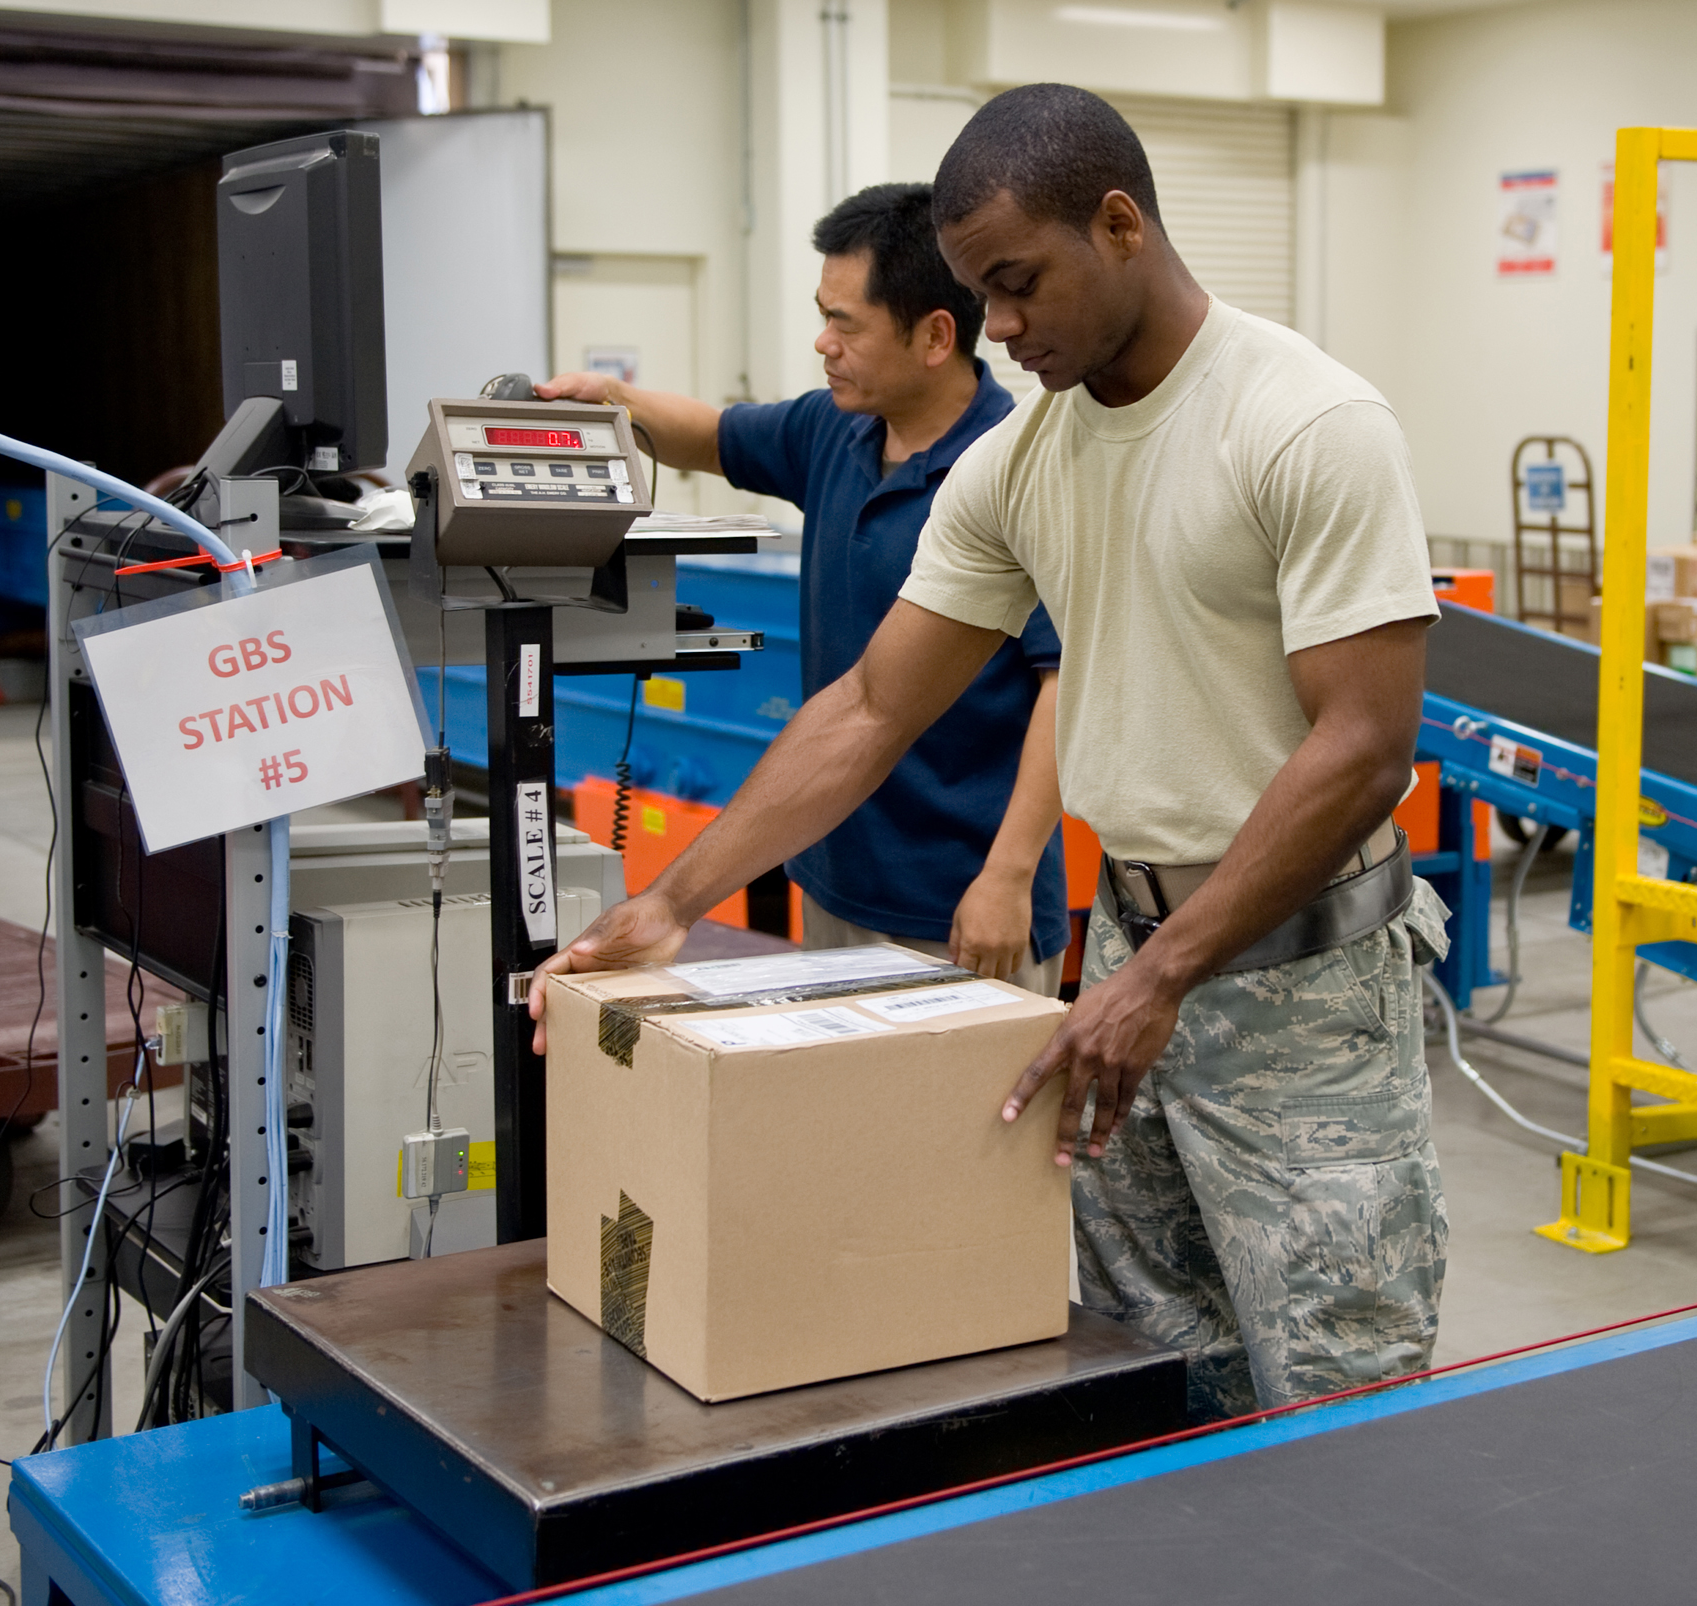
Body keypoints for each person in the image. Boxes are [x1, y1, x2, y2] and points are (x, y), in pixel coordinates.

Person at [531, 85, 1449, 1423]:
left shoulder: (1305, 424)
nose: (1002, 330)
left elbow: (1365, 746)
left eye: (1018, 286)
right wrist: (672, 899)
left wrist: (1168, 970)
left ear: (1120, 222)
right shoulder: (1022, 465)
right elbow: (867, 710)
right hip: (1134, 954)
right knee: (1153, 1361)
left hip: (1299, 978)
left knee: (1339, 1380)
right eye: (980, 294)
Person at [535, 182, 1066, 994]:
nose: (824, 343)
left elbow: (1065, 688)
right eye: (822, 315)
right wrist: (612, 401)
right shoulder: (835, 428)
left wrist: (1010, 874)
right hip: (836, 872)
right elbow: (711, 435)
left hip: (961, 904)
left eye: (845, 324)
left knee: (956, 1121)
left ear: (934, 335)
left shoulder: (1016, 470)